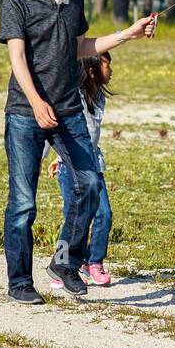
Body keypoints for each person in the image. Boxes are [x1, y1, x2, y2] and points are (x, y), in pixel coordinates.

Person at [0, 0, 157, 305]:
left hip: (68, 109)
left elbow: (81, 46)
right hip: (26, 112)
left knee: (90, 184)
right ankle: (19, 282)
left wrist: (127, 35)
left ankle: (65, 263)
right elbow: (17, 57)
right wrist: (36, 102)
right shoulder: (17, 1)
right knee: (24, 203)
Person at [46, 51, 116, 288]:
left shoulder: (99, 97)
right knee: (72, 218)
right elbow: (57, 129)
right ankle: (63, 264)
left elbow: (92, 135)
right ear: (91, 70)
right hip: (70, 165)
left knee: (104, 214)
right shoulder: (73, 98)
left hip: (93, 164)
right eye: (107, 66)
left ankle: (93, 262)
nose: (111, 70)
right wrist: (54, 156)